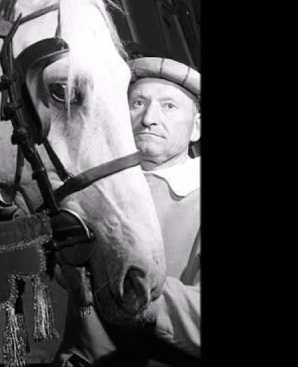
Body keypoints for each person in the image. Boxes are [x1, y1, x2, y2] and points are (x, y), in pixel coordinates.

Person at [58, 55, 201, 367]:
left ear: (196, 128)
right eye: (137, 103)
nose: (149, 117)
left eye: (169, 106)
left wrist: (135, 286)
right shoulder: (96, 186)